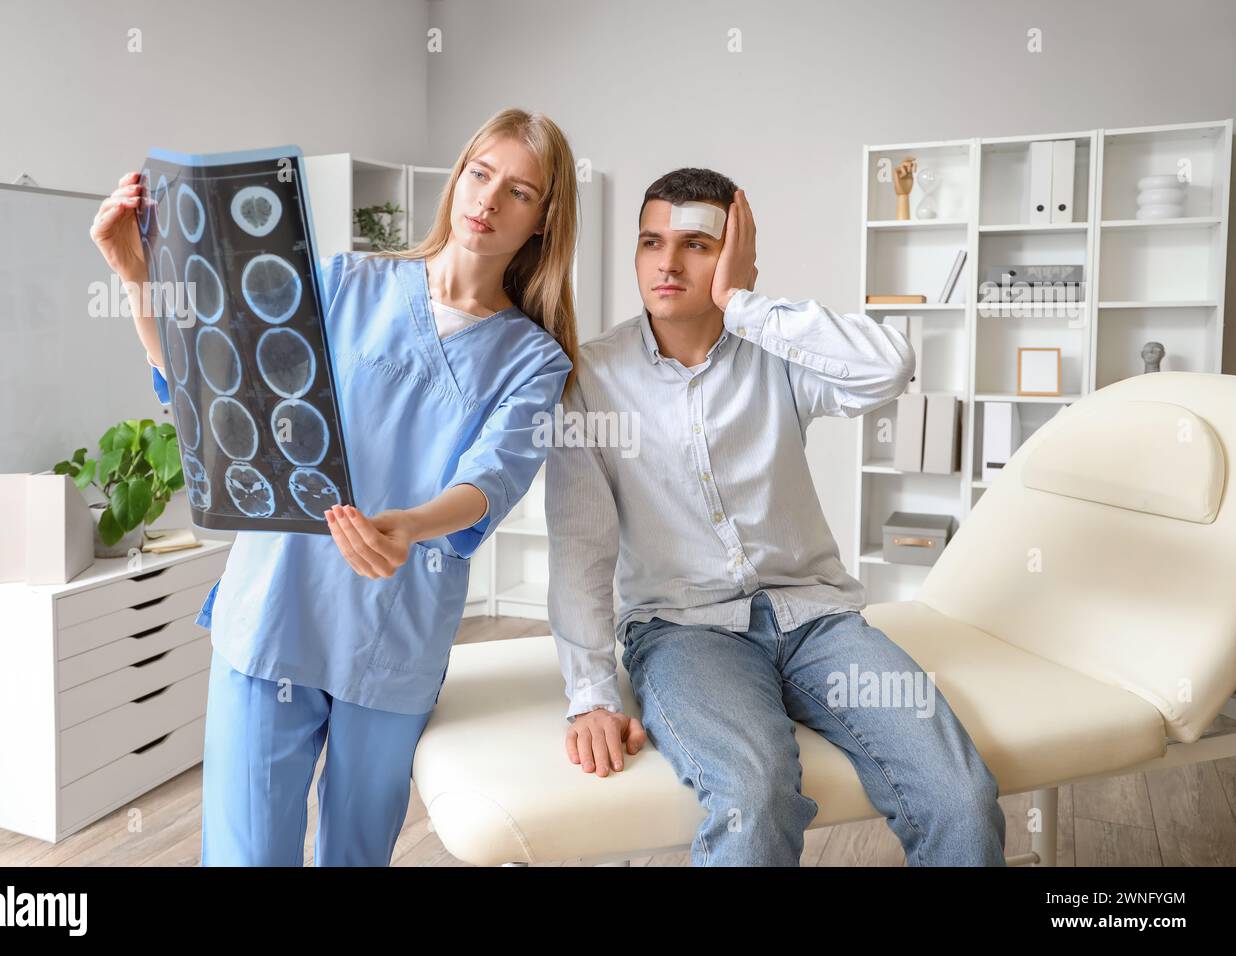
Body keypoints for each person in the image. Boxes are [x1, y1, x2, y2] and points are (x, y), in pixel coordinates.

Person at [91, 108, 577, 866]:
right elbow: (215, 393)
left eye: (519, 191)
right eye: (481, 174)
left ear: (545, 219)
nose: (488, 199)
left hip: (392, 638)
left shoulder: (533, 359)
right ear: (458, 178)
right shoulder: (347, 281)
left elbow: (494, 475)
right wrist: (135, 278)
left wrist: (410, 525)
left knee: (355, 855)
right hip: (275, 610)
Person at [545, 167, 1006, 866]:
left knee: (960, 796)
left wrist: (743, 302)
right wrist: (590, 696)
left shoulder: (777, 353)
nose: (667, 262)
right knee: (753, 799)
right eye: (650, 242)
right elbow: (580, 547)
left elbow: (890, 366)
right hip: (687, 635)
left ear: (734, 254)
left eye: (696, 245)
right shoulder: (590, 379)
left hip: (820, 623)